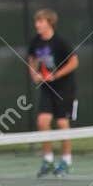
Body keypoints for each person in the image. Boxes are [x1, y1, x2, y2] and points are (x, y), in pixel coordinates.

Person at [26, 9, 79, 176]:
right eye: (36, 22)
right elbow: (32, 59)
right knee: (42, 122)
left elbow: (74, 62)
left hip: (65, 88)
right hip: (47, 89)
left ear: (50, 23)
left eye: (41, 22)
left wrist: (55, 75)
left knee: (63, 124)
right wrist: (34, 74)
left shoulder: (61, 42)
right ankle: (48, 159)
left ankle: (66, 161)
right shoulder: (36, 41)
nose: (37, 25)